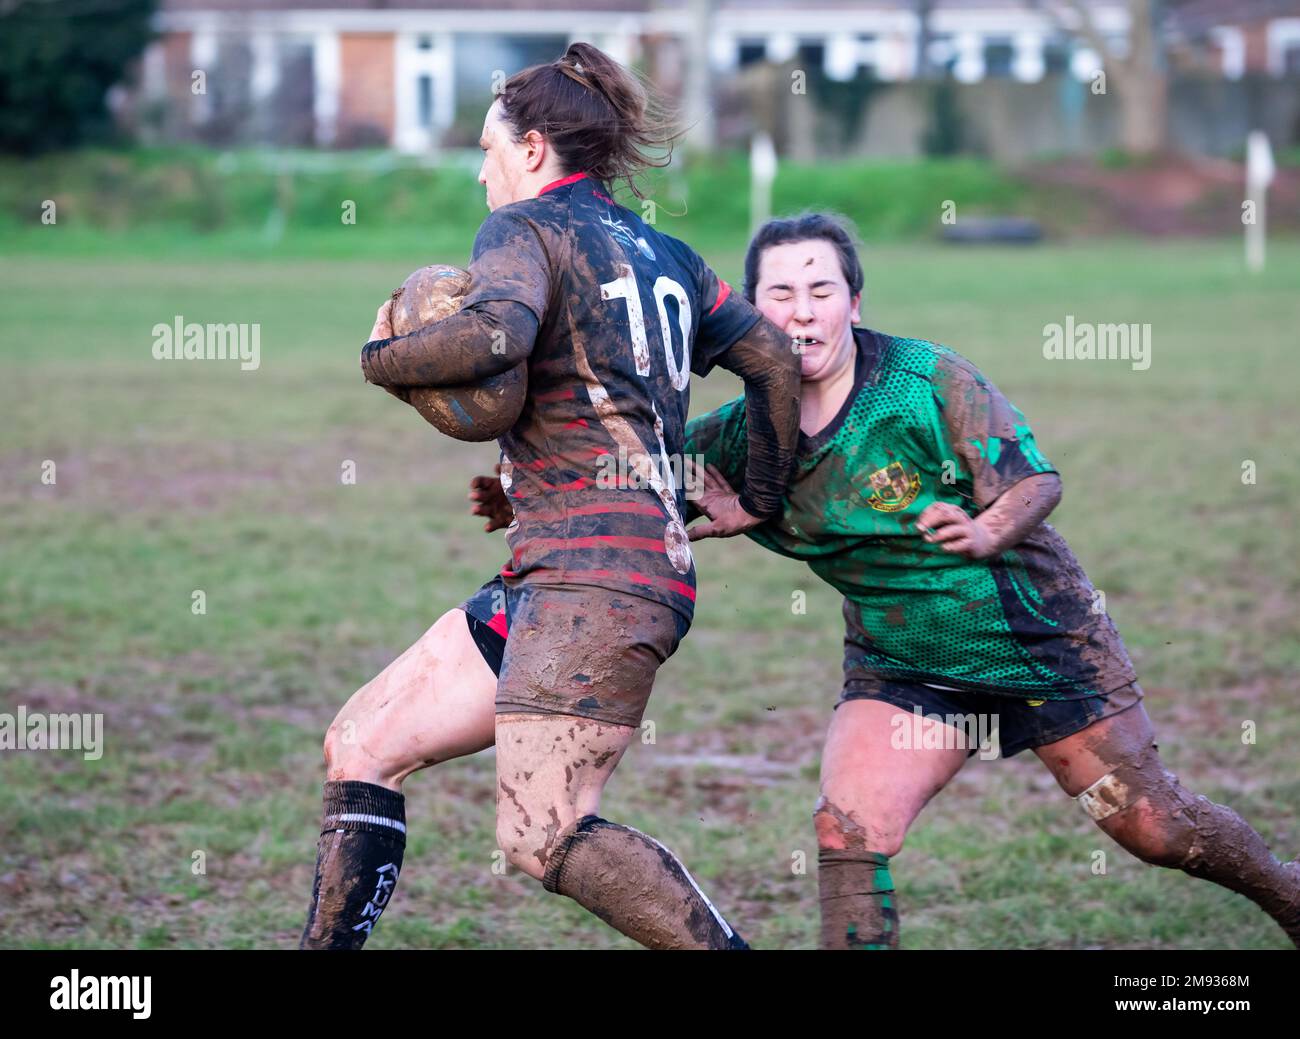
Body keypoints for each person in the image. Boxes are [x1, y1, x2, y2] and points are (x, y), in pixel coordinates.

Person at [474, 211, 1300, 950]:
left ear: (853, 303)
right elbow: (635, 479)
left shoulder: (923, 383)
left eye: (821, 289)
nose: (802, 310)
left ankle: (1287, 893)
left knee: (1153, 828)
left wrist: (986, 528)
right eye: (780, 293)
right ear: (749, 317)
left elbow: (1035, 482)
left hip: (1041, 645)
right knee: (847, 829)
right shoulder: (739, 434)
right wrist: (521, 490)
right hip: (906, 667)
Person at [298, 42, 800, 951]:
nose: (482, 168)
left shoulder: (523, 230)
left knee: (544, 831)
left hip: (594, 590)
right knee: (362, 743)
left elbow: (496, 336)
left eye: (489, 148)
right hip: (558, 575)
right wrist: (759, 494)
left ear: (532, 149)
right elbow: (771, 359)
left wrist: (380, 362)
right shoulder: (668, 252)